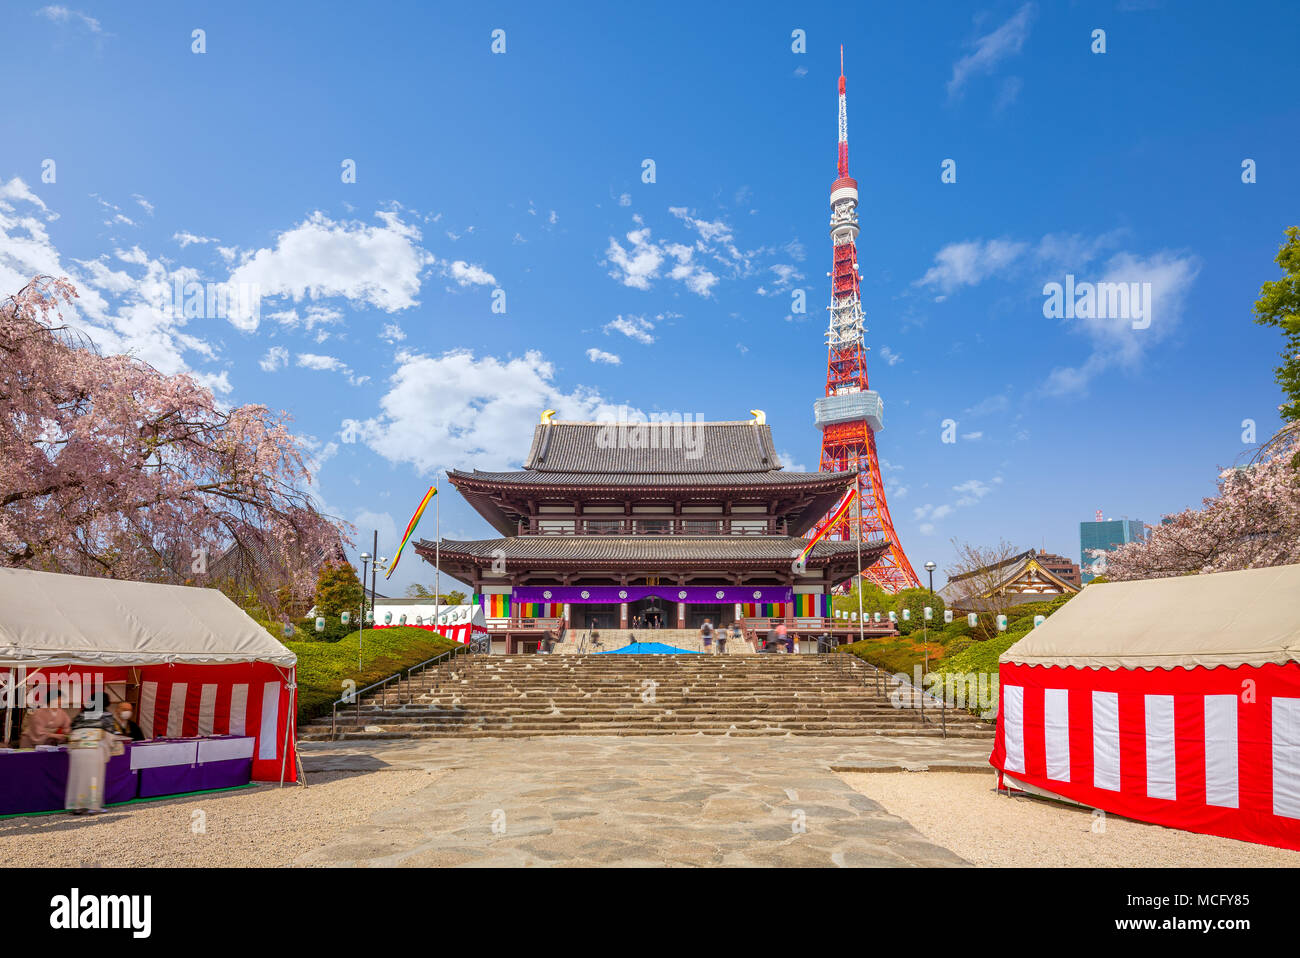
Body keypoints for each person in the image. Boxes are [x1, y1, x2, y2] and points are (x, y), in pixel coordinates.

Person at [65, 695, 126, 815]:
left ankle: (77, 806)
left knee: (78, 777)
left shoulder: (80, 715)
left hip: (77, 749)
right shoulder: (105, 715)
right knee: (94, 778)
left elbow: (71, 731)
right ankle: (93, 806)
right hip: (94, 749)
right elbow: (110, 735)